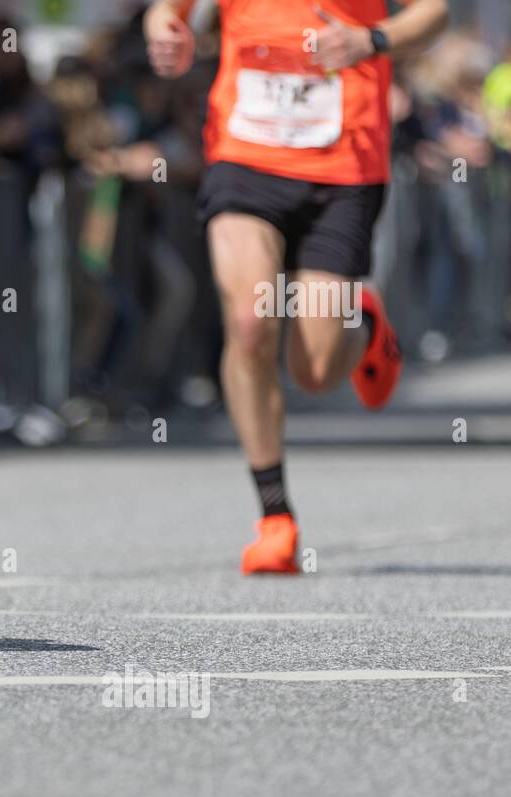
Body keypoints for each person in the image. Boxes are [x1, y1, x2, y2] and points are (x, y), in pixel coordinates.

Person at [144, 0, 448, 573]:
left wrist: (374, 40)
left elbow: (436, 14)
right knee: (250, 321)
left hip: (343, 169)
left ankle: (362, 328)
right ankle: (274, 515)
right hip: (245, 157)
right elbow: (167, 10)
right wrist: (165, 31)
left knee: (314, 370)